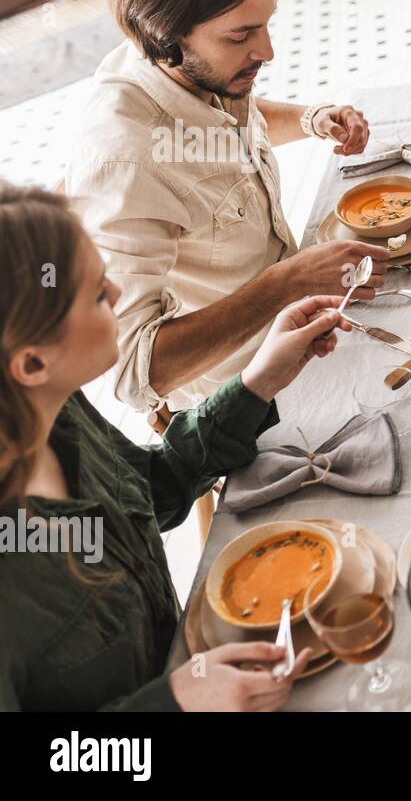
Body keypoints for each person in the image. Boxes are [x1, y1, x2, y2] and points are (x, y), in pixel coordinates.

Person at [0, 183, 356, 710]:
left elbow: (151, 489)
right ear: (31, 364)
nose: (120, 297)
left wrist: (256, 382)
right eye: (98, 293)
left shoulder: (51, 412)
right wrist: (174, 701)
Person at [66, 0, 390, 420]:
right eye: (241, 36)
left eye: (265, 25)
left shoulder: (193, 71)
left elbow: (223, 129)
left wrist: (311, 118)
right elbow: (130, 373)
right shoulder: (122, 162)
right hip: (245, 395)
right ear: (165, 35)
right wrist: (287, 283)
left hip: (309, 324)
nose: (267, 51)